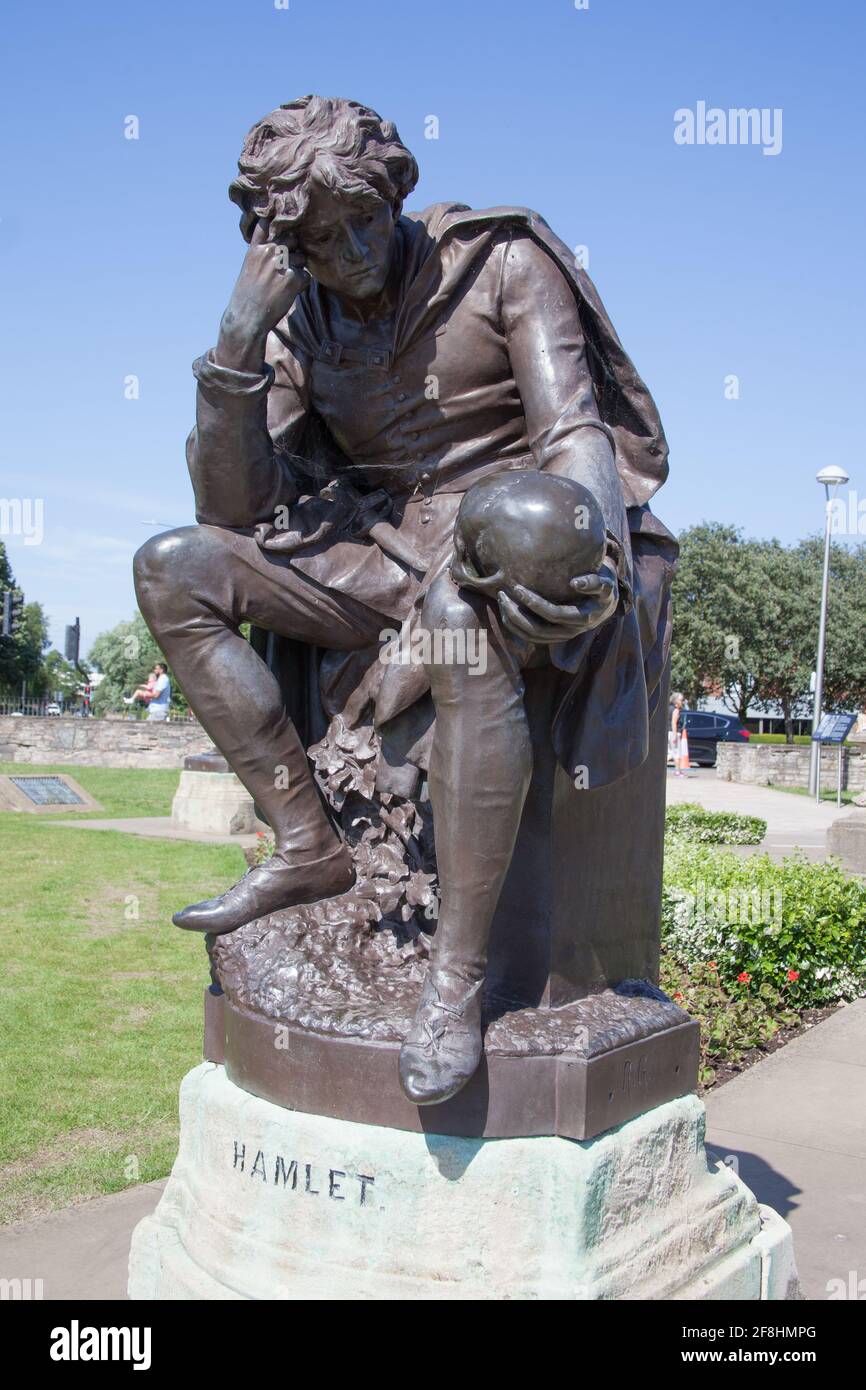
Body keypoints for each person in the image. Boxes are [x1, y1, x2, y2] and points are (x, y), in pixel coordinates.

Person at [133, 96, 676, 1106]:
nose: (347, 255)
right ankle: (306, 847)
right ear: (278, 246)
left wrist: (589, 553)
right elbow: (232, 510)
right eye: (316, 241)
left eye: (360, 223)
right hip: (377, 553)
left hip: (503, 550)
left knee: (462, 624)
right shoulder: (297, 317)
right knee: (173, 566)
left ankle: (454, 979)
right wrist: (236, 345)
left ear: (397, 194)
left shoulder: (502, 262)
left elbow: (574, 435)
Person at [670, 692, 689, 776]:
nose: (682, 702)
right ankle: (678, 771)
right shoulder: (676, 710)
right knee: (677, 753)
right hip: (674, 733)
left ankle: (678, 770)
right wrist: (674, 735)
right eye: (681, 700)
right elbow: (674, 722)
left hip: (669, 732)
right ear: (676, 700)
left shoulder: (669, 708)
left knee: (671, 752)